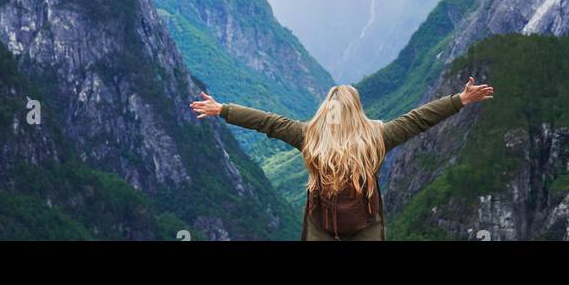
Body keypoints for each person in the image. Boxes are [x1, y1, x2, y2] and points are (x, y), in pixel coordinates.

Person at [190, 77, 495, 240]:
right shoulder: (314, 135)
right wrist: (223, 109)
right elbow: (268, 121)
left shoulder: (374, 137)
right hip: (330, 227)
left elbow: (418, 119)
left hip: (360, 226)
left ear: (349, 115)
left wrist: (460, 100)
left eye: (337, 113)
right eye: (330, 113)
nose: (332, 119)